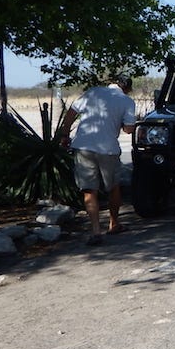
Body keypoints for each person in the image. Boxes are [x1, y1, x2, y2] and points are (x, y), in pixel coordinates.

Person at [56, 75, 136, 247]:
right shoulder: (127, 101)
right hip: (108, 149)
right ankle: (114, 224)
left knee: (89, 190)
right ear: (127, 88)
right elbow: (129, 129)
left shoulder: (93, 92)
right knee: (113, 187)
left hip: (83, 146)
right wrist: (121, 124)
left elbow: (71, 113)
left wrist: (64, 135)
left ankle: (95, 231)